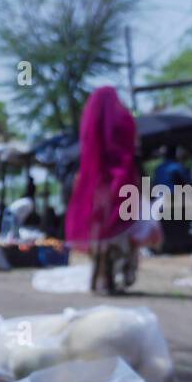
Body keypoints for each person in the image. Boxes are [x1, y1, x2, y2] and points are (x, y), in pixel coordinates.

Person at [65, 86, 142, 295]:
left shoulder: (91, 123)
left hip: (96, 184)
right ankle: (111, 278)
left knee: (98, 234)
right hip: (121, 181)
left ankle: (97, 280)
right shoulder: (123, 121)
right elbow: (132, 150)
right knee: (116, 234)